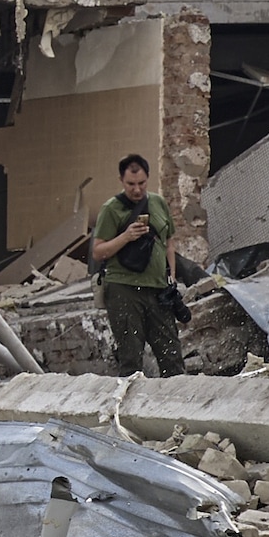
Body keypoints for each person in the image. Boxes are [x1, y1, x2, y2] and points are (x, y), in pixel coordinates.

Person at [90, 153, 182, 378]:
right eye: (131, 184)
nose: (137, 190)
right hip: (124, 289)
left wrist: (171, 276)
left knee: (171, 353)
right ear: (121, 181)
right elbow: (98, 252)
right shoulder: (111, 209)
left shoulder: (158, 203)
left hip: (158, 289)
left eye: (141, 183)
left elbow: (169, 242)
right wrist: (126, 237)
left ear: (148, 179)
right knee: (131, 356)